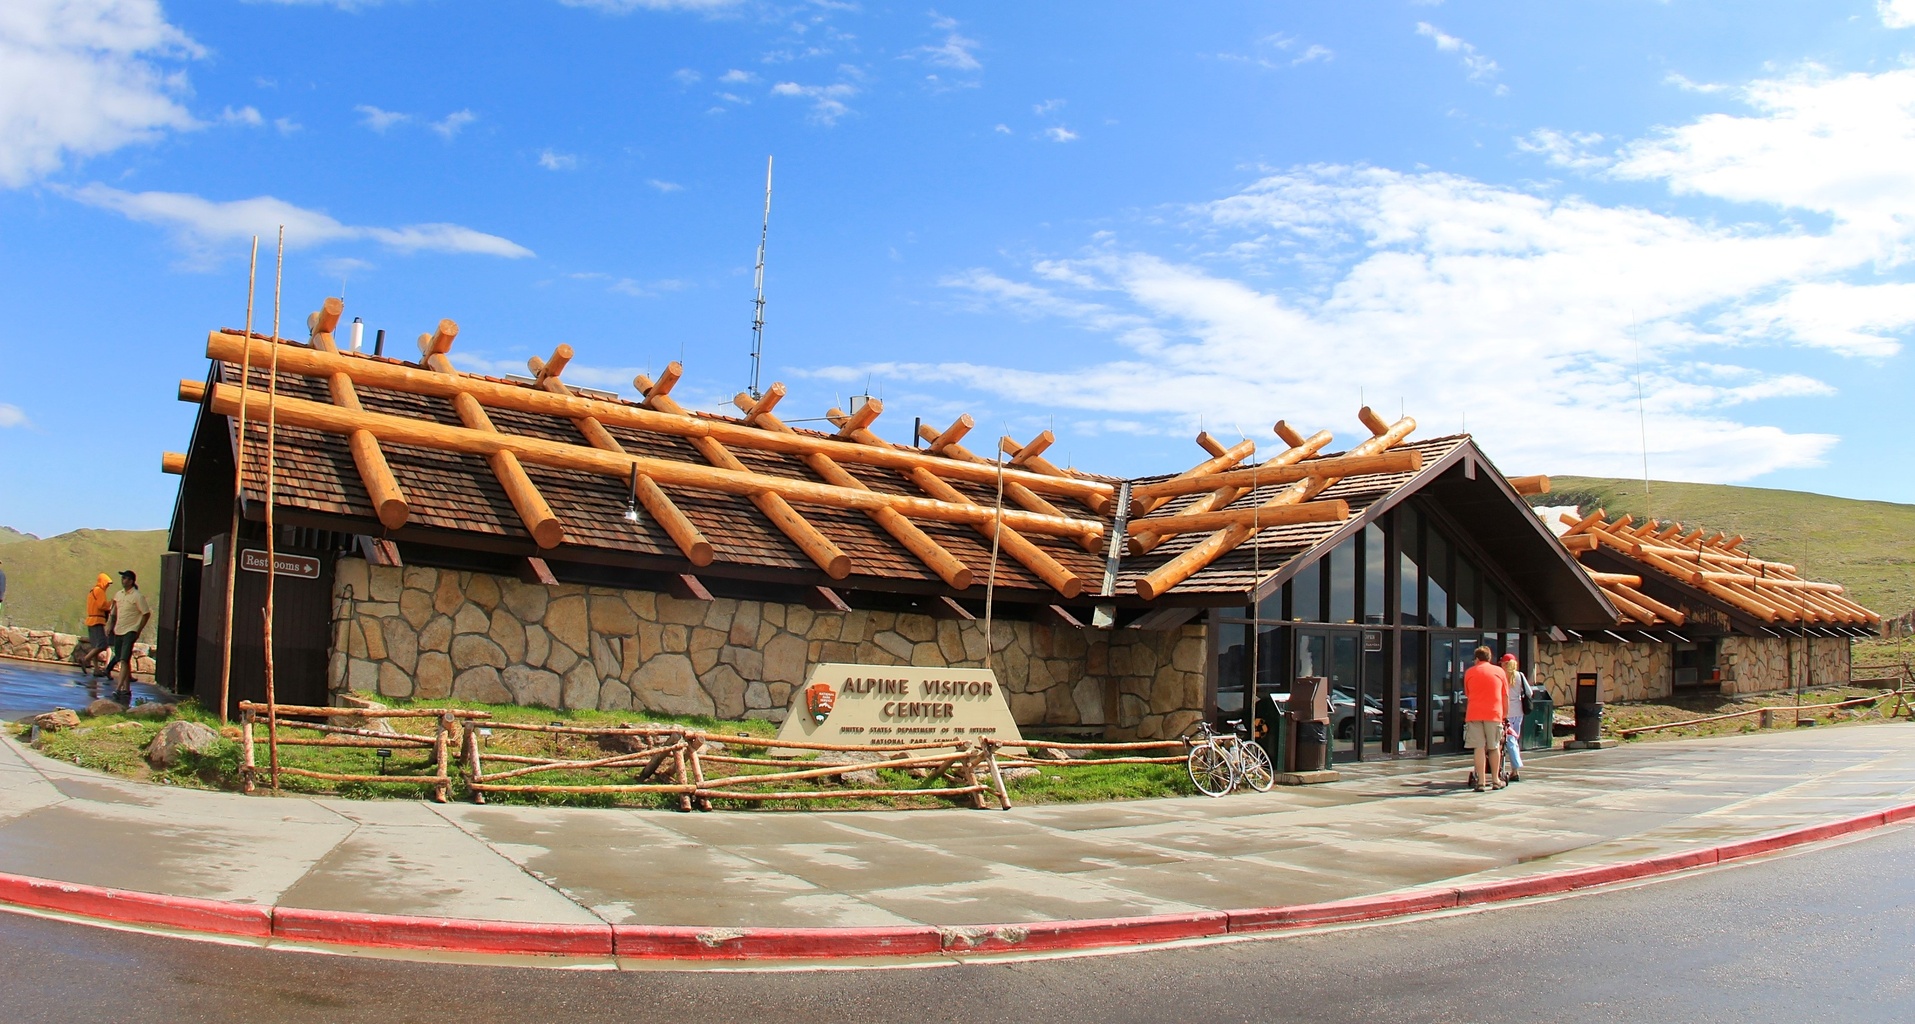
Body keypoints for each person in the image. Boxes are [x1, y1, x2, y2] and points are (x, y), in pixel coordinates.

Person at [1462, 646, 1508, 792]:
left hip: (1474, 713)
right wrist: (1505, 714)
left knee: (1479, 747)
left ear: (1476, 658)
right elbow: (1504, 695)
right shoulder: (1499, 672)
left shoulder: (1470, 672)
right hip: (1494, 713)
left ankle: (1481, 782)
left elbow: (1468, 693)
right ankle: (1495, 780)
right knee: (1494, 747)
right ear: (1490, 658)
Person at [104, 569, 152, 698]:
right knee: (121, 659)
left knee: (124, 659)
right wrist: (109, 624)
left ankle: (119, 688)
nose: (123, 580)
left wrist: (138, 629)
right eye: (122, 578)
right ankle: (127, 688)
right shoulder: (118, 595)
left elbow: (146, 613)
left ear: (131, 581)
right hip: (119, 629)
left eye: (125, 578)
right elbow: (113, 612)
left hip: (130, 630)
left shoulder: (137, 596)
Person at [1501, 653, 1534, 783]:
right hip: (1518, 710)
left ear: (1504, 664)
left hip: (1506, 711)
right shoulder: (1519, 675)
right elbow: (1529, 692)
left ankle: (1515, 766)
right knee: (1514, 738)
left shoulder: (1502, 675)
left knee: (1508, 740)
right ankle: (1515, 769)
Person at [80, 573, 114, 676]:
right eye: (107, 583)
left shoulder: (92, 591)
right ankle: (85, 659)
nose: (108, 586)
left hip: (90, 620)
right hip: (97, 620)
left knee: (95, 646)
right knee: (102, 644)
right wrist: (111, 604)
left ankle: (96, 669)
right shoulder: (100, 591)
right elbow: (101, 605)